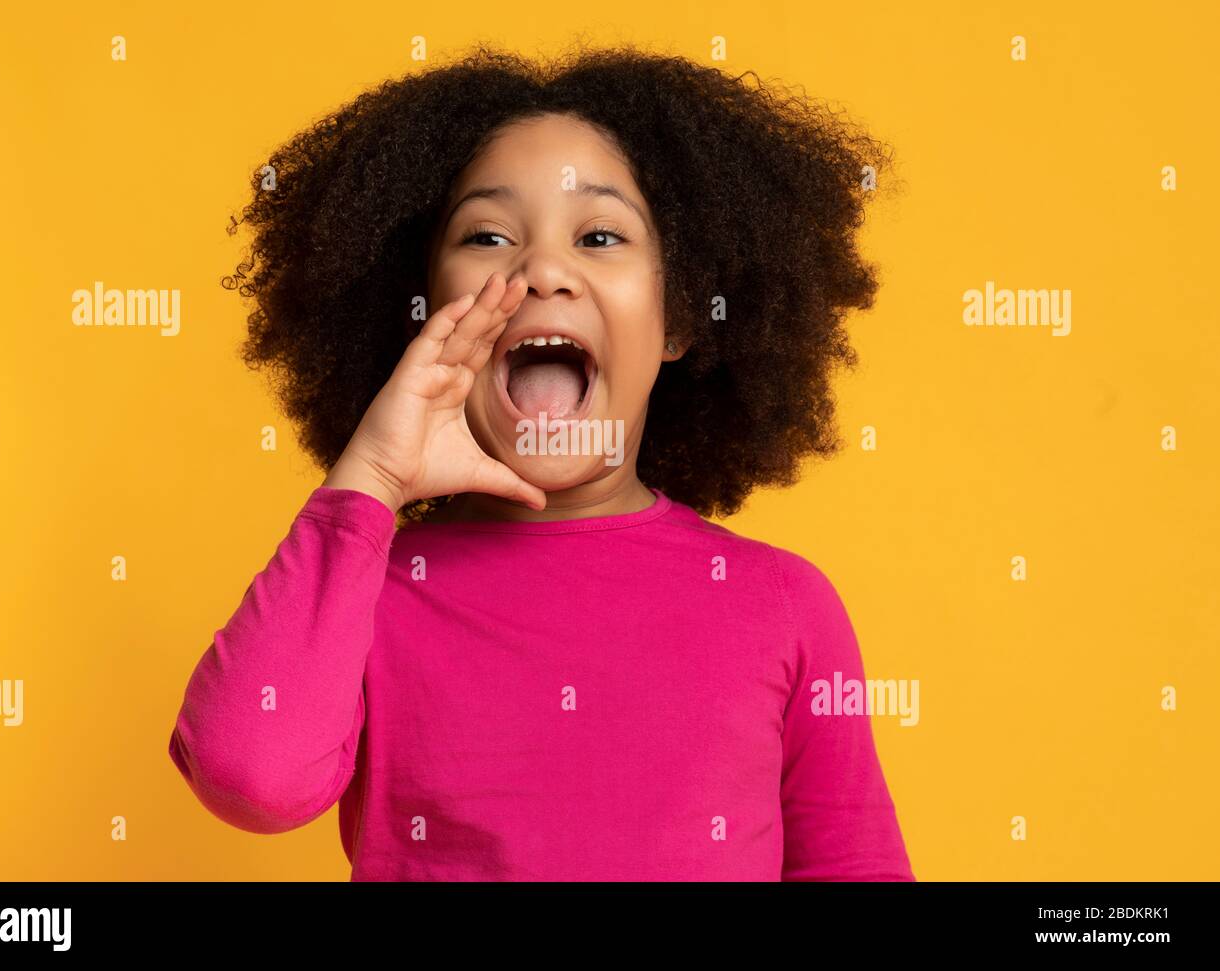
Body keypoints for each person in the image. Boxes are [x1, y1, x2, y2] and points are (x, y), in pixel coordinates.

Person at [168, 43, 914, 881]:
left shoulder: (785, 606)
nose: (543, 271)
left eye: (599, 235)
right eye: (488, 236)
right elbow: (248, 777)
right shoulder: (366, 591)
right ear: (419, 312)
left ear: (675, 320)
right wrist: (370, 477)